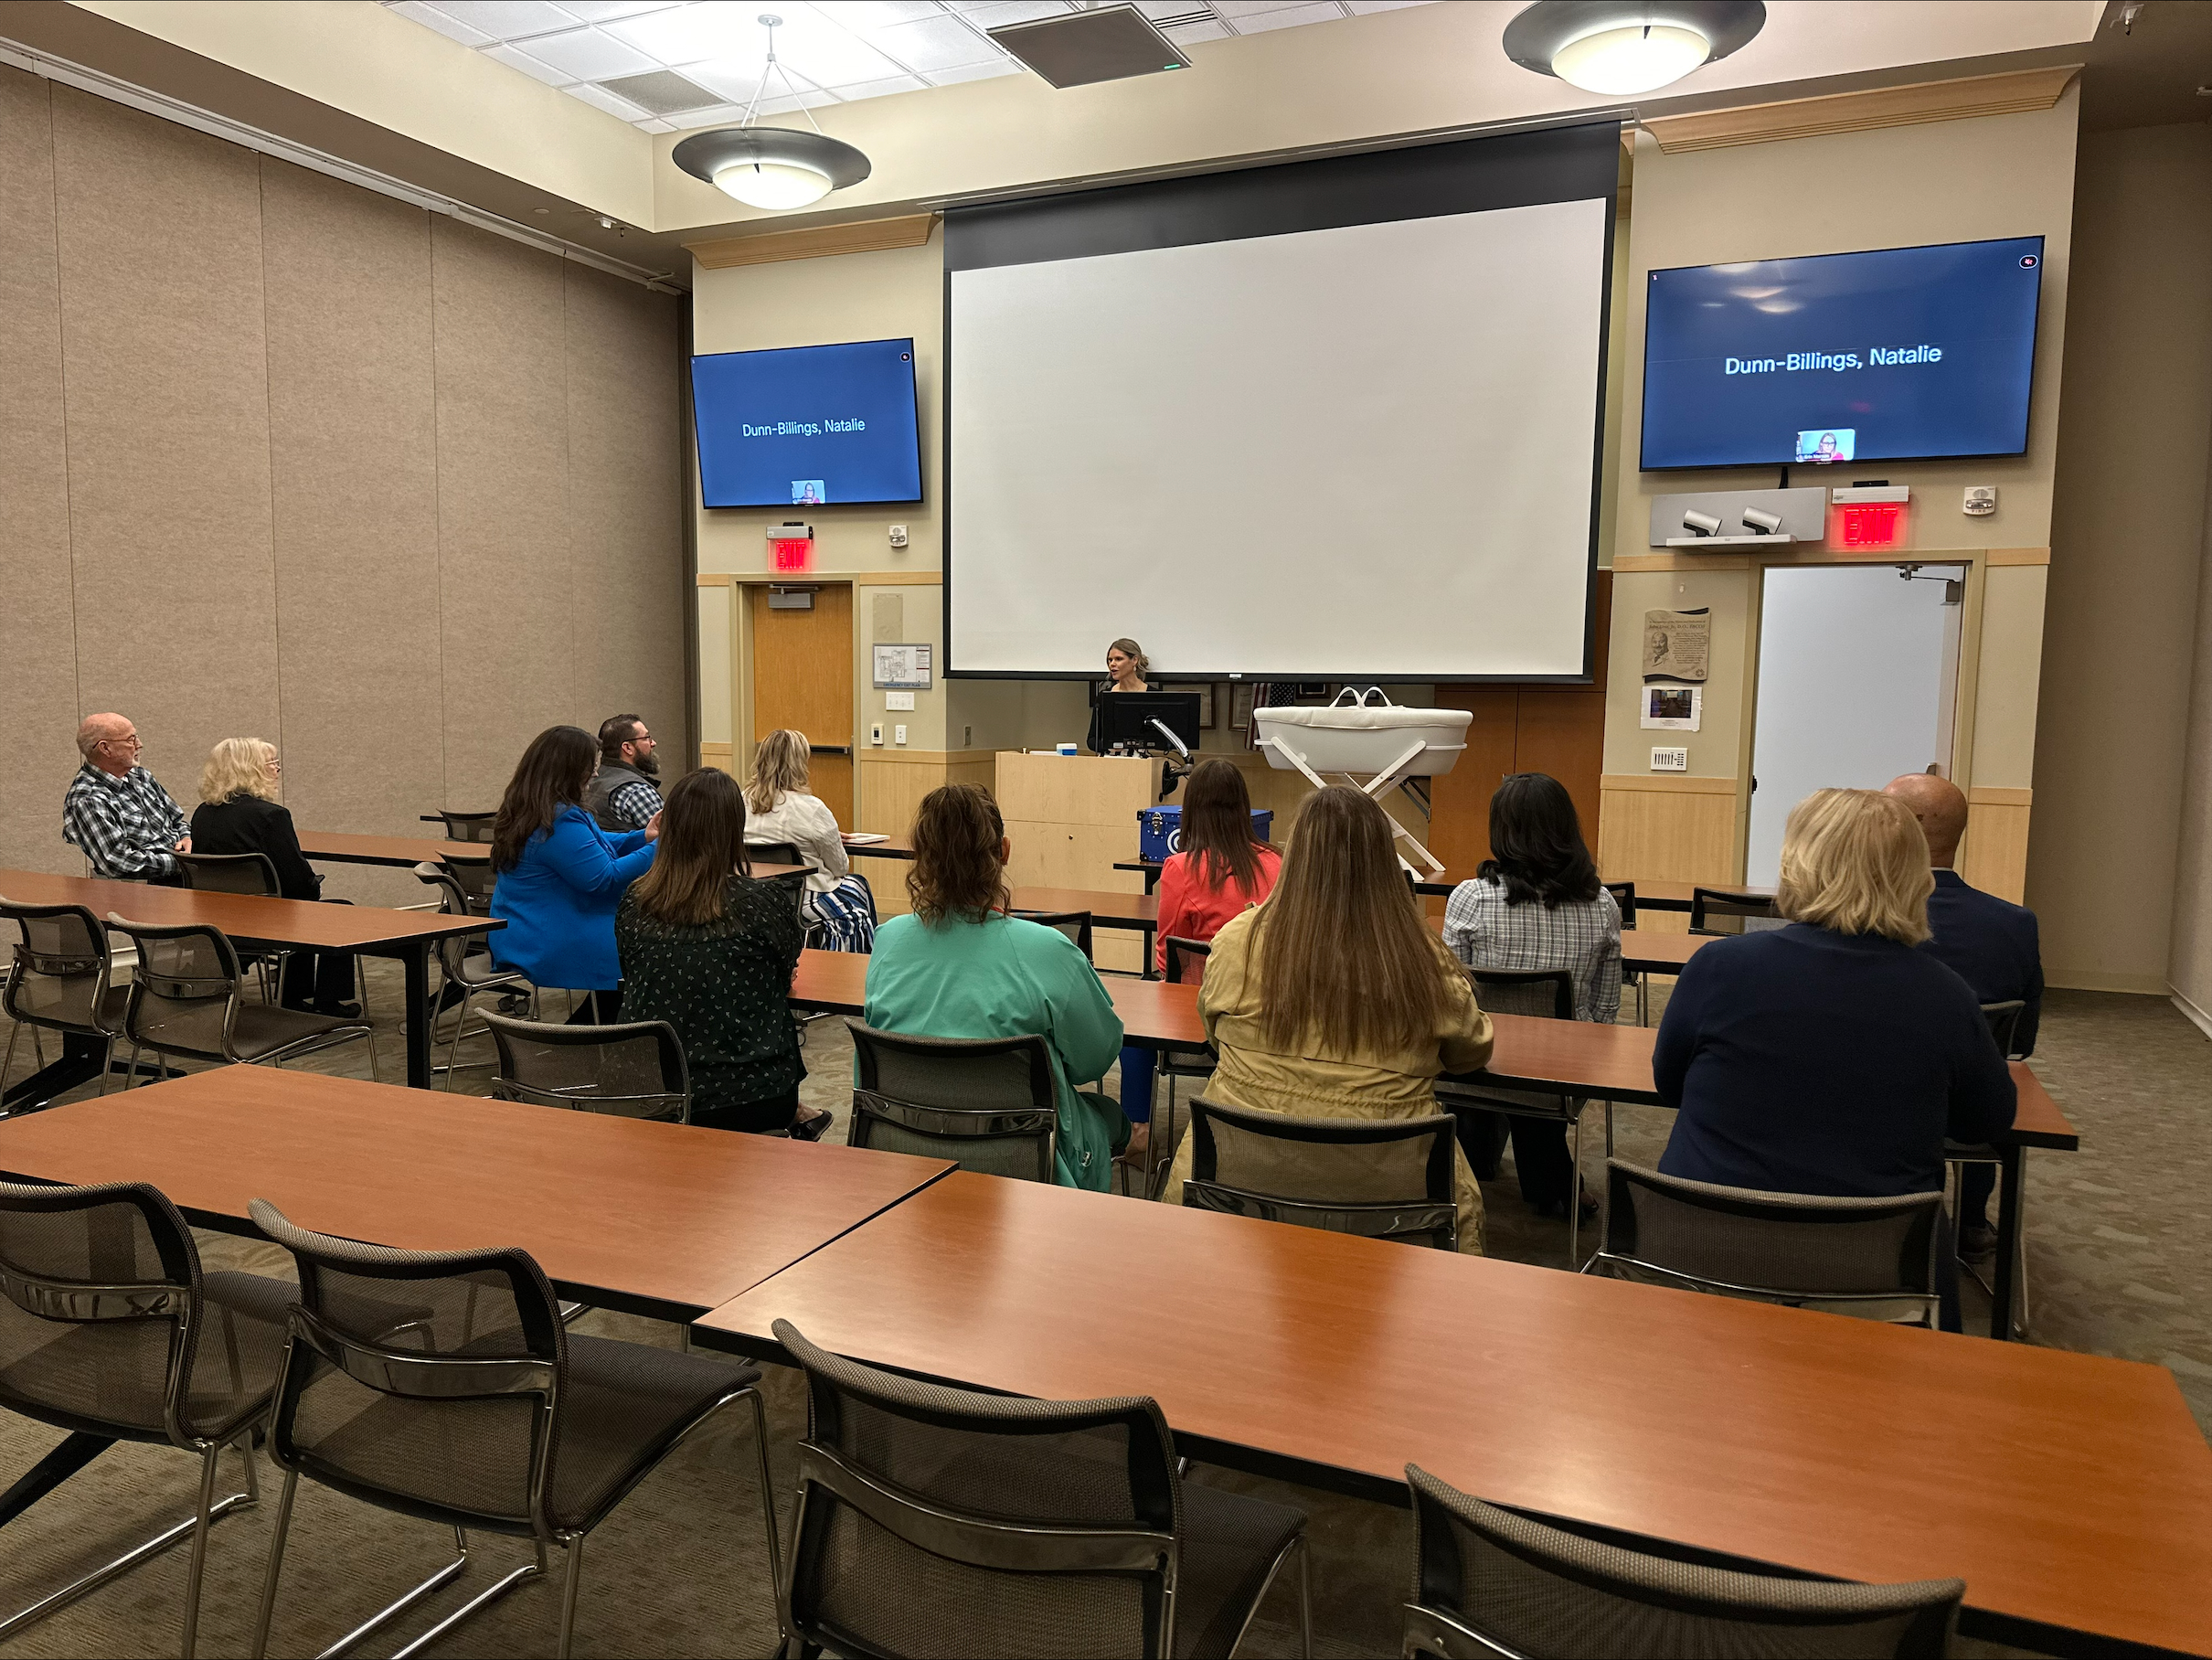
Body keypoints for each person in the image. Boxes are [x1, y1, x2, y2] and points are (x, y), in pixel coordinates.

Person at [1654, 788, 2015, 1331]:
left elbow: (1669, 1086)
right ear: (1914, 877)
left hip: (1704, 1250)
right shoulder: (1946, 995)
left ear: (1798, 866)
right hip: (1874, 1276)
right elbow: (1985, 1122)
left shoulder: (1719, 966)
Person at [1159, 786, 1495, 1254]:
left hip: (1238, 1190)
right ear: (1384, 862)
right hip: (1393, 1201)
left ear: (1294, 858)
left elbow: (1214, 1034)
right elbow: (1470, 1052)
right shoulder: (1424, 960)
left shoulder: (1239, 942)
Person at [864, 783, 1129, 1190]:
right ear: (1003, 851)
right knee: (1113, 1119)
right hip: (1025, 1166)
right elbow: (1093, 1061)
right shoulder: (1048, 950)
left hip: (904, 1155)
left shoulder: (888, 941)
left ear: (919, 855)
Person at [1442, 772, 1621, 1218]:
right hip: (1564, 1071)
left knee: (1493, 1055)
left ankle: (1472, 1160)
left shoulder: (1470, 898)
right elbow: (1606, 1006)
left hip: (1476, 1063)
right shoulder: (1602, 905)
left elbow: (1448, 993)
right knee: (1535, 1070)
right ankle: (1555, 1183)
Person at [1884, 770, 2045, 1261]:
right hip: (1971, 1114)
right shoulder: (2015, 924)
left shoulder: (1859, 917)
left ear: (1900, 829)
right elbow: (2022, 1042)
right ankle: (1972, 1222)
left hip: (1866, 1103)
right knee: (1987, 1070)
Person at [617, 767, 828, 1137]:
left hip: (651, 1092)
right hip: (754, 1095)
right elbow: (783, 975)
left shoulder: (635, 900)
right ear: (734, 830)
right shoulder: (763, 902)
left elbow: (633, 971)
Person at [489, 725, 659, 1024]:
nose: (595, 774)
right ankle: (578, 1043)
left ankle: (582, 1039)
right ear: (568, 771)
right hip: (550, 937)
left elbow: (595, 844)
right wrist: (663, 847)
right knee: (651, 952)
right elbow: (603, 878)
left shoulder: (535, 810)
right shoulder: (558, 820)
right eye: (590, 767)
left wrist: (643, 837)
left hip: (522, 929)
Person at [188, 738, 358, 1016]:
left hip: (216, 919)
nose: (278, 769)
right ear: (251, 768)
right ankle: (326, 1003)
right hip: (265, 923)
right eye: (272, 763)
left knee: (296, 906)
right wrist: (312, 889)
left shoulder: (202, 813)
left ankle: (295, 996)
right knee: (336, 911)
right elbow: (297, 880)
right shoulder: (271, 816)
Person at [743, 729, 877, 952]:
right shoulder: (812, 808)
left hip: (752, 896)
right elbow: (840, 868)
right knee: (856, 892)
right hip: (803, 899)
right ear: (800, 764)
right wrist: (829, 839)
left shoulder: (740, 802)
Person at [62, 714, 190, 883]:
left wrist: (187, 838)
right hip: (144, 890)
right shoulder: (89, 799)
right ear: (105, 748)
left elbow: (178, 820)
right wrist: (185, 862)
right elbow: (118, 863)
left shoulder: (140, 776)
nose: (139, 744)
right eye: (131, 739)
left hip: (183, 874)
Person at [587, 714, 663, 832]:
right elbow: (673, 839)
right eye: (646, 738)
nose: (653, 743)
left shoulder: (589, 782)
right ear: (627, 748)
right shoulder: (637, 791)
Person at [1085, 637, 1150, 754]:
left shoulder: (1152, 695)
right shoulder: (1104, 696)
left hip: (1142, 763)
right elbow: (1092, 740)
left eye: (1118, 659)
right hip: (1109, 761)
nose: (1112, 664)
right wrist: (1109, 746)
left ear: (1134, 660)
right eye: (1110, 660)